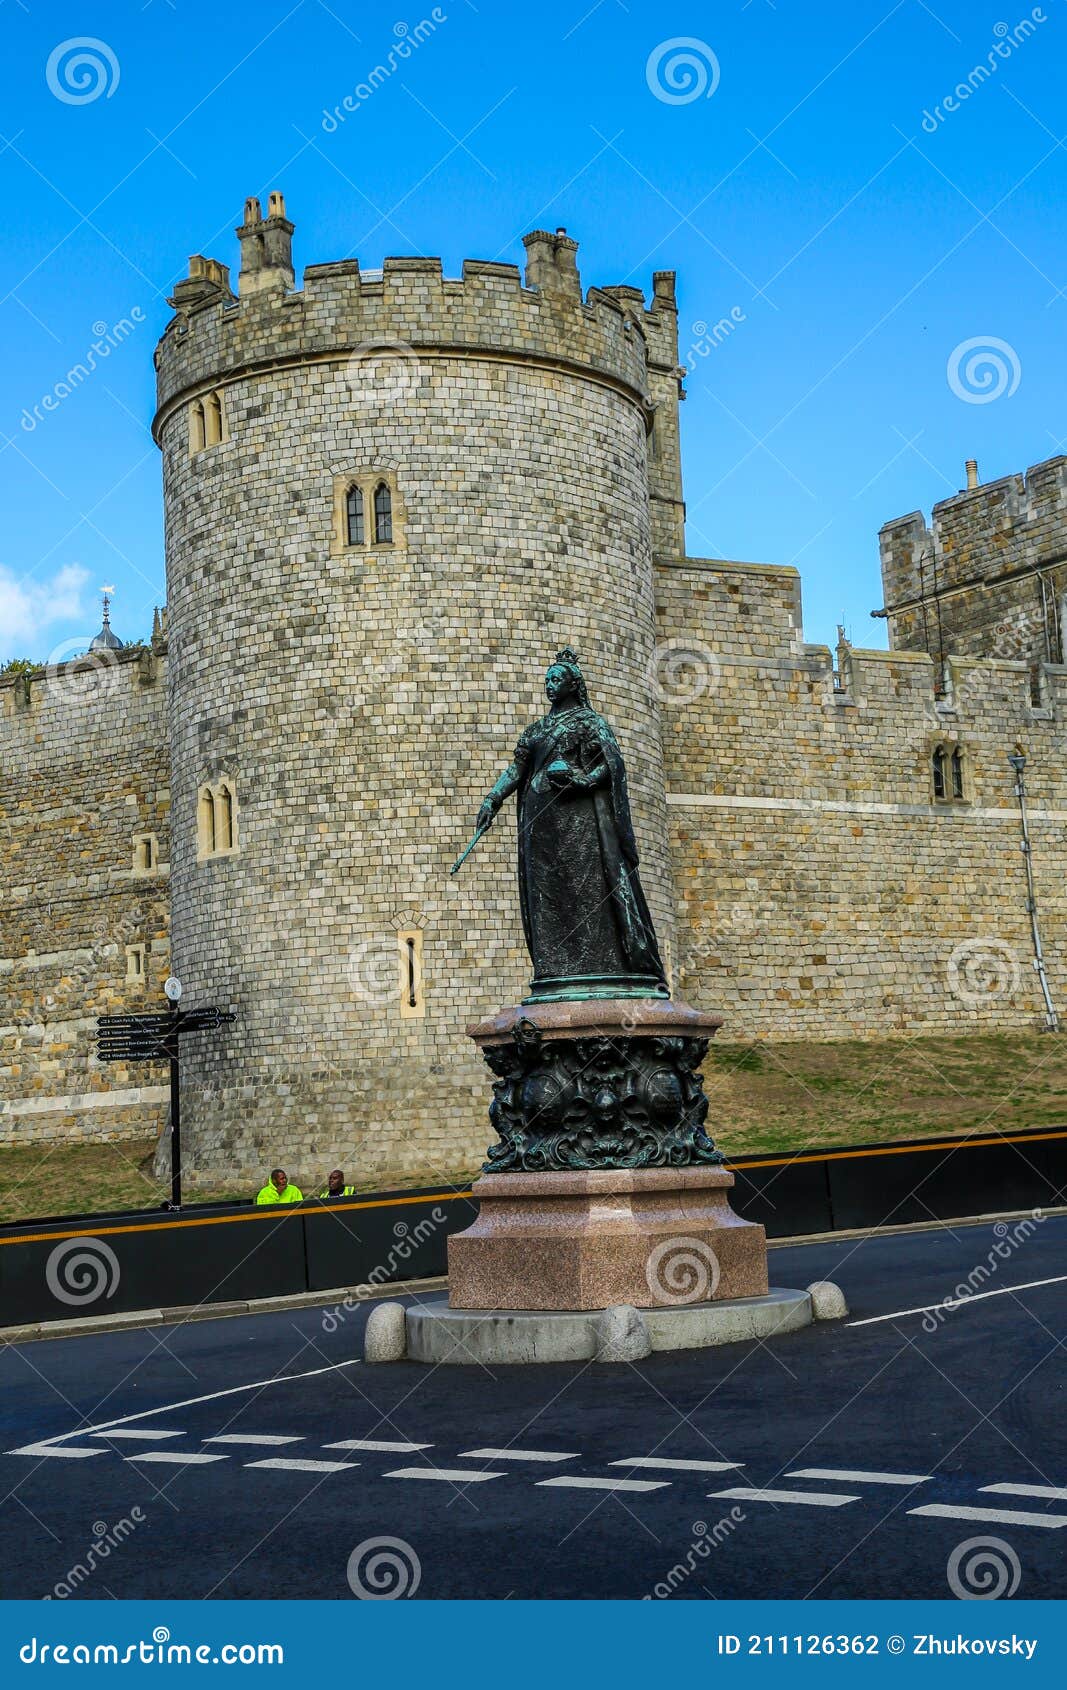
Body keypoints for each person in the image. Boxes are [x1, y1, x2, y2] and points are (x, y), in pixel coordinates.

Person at [472, 647, 667, 998]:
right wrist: (493, 798)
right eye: (547, 679)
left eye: (556, 679)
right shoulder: (536, 731)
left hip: (580, 824)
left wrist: (585, 779)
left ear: (573, 684)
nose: (549, 684)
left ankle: (600, 963)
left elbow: (612, 763)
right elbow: (516, 770)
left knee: (587, 889)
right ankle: (555, 964)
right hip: (540, 824)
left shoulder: (590, 724)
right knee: (549, 893)